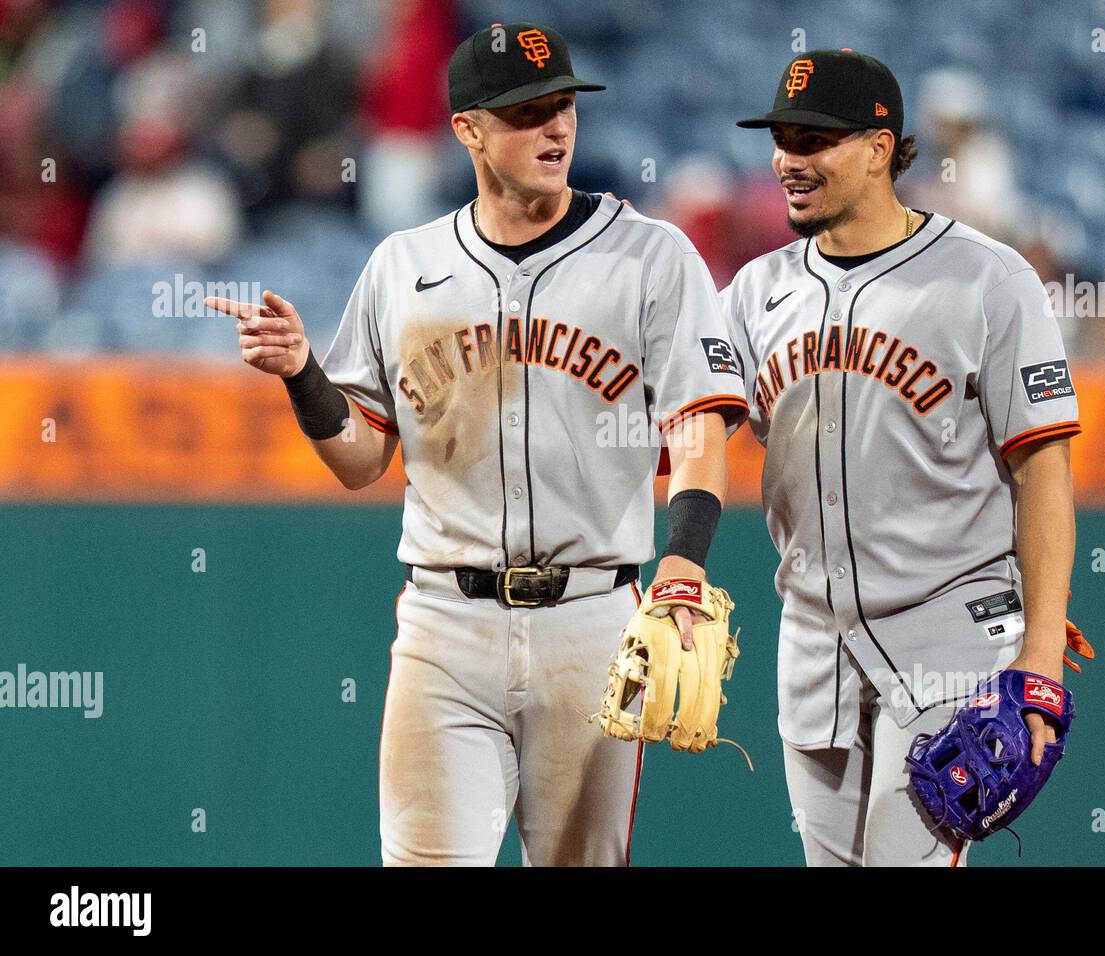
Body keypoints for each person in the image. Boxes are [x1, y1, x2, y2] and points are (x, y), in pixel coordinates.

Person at [206, 22, 746, 866]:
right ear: (468, 130)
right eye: (528, 112)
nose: (557, 127)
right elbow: (358, 460)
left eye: (563, 105)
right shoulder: (403, 267)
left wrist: (686, 558)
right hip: (444, 626)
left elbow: (699, 425)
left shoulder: (651, 256)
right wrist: (304, 375)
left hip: (594, 619)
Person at [722, 49, 1081, 866]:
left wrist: (1042, 654)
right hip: (812, 637)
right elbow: (690, 433)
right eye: (782, 138)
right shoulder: (752, 293)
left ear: (880, 149)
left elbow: (1043, 471)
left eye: (815, 140)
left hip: (948, 626)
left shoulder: (988, 280)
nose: (789, 160)